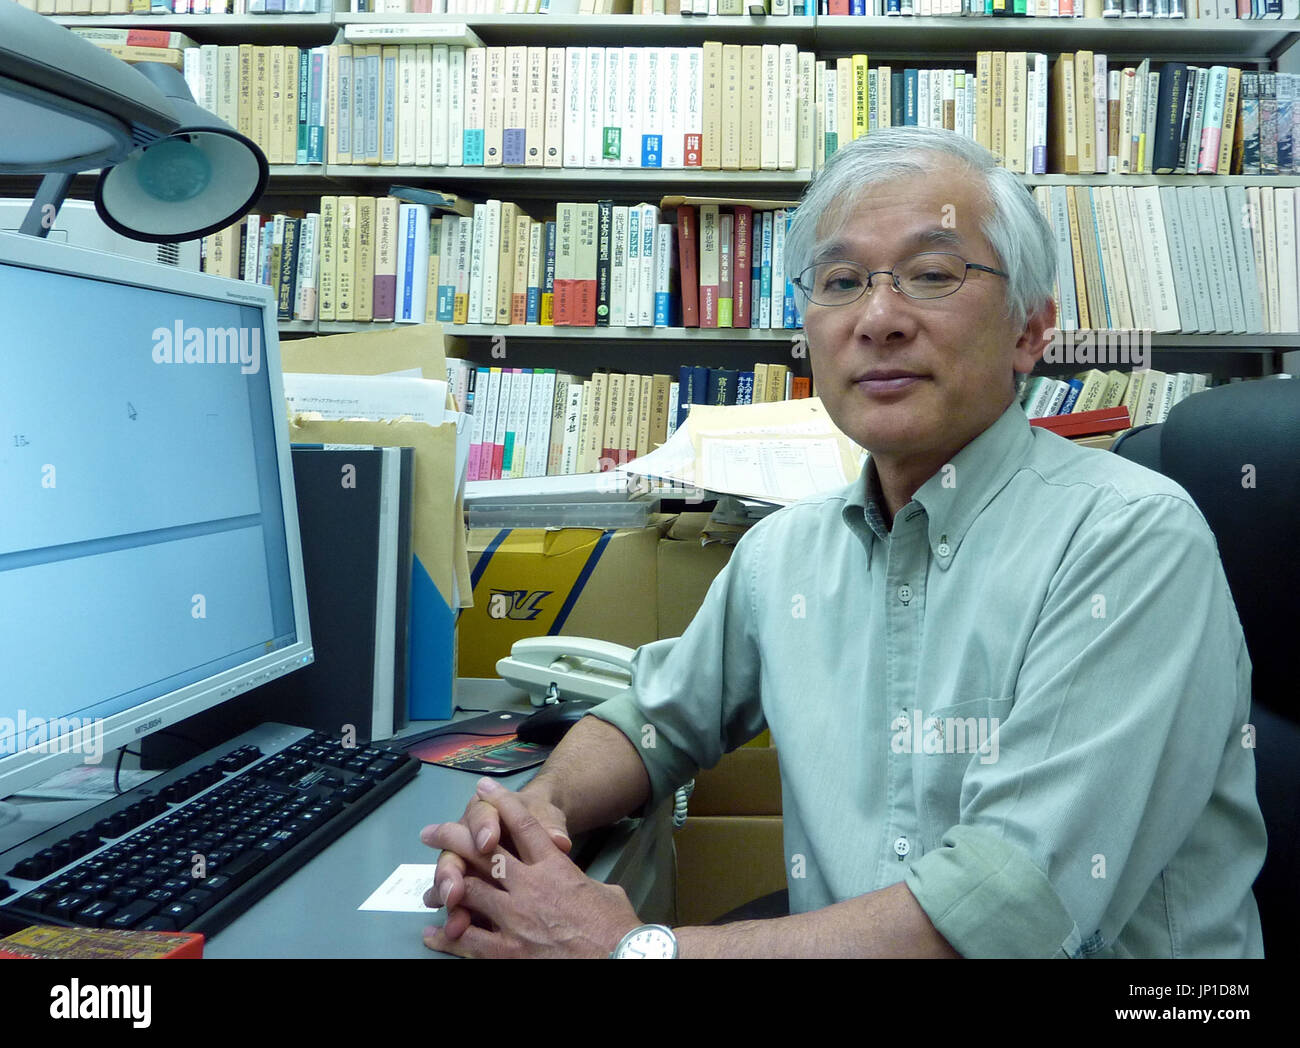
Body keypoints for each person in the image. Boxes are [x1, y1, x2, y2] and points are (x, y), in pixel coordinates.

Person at [420, 125, 1267, 959]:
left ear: (1029, 330)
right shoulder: (786, 551)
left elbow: (1010, 910)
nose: (878, 318)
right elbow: (655, 715)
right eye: (840, 279)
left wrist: (634, 948)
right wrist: (538, 813)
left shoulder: (1131, 539)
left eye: (933, 274)